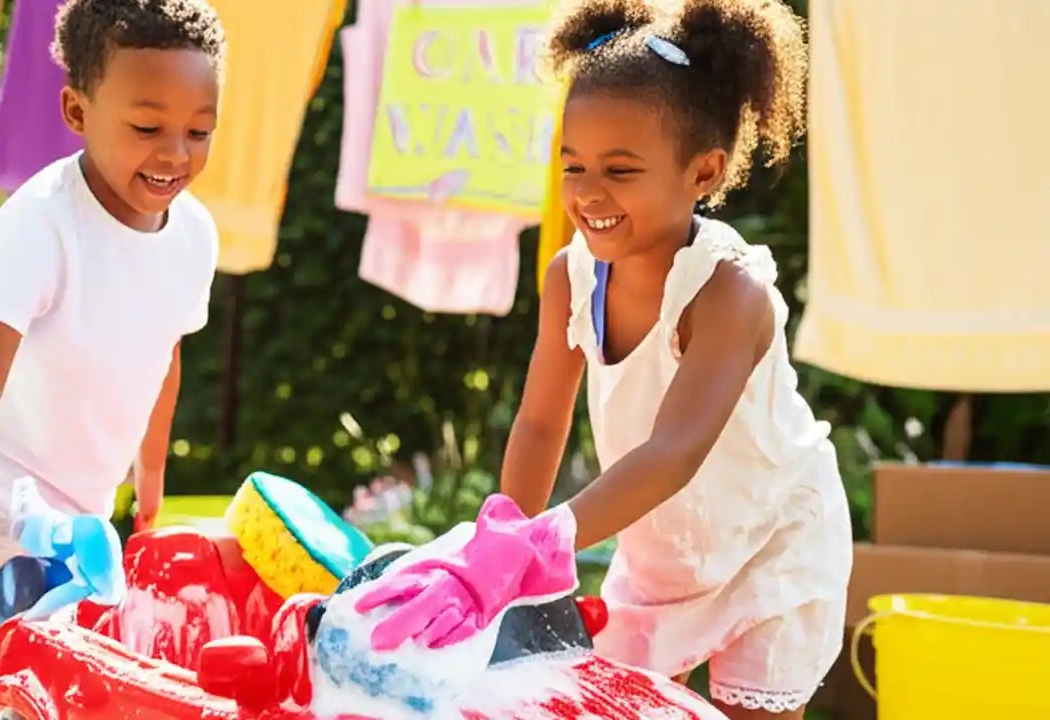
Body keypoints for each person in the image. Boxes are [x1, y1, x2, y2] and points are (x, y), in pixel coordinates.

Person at [352, 1, 851, 718]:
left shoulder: (727, 294)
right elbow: (539, 426)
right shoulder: (572, 276)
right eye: (573, 164)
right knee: (616, 704)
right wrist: (504, 545)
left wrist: (547, 539)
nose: (588, 193)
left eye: (620, 170)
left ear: (703, 172)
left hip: (770, 542)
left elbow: (674, 451)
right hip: (661, 553)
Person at [0, 0, 226, 716]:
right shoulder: (40, 224)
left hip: (81, 502)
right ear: (76, 110)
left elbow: (165, 355)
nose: (175, 153)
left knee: (66, 676)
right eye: (148, 128)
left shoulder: (194, 236)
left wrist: (150, 472)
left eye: (199, 130)